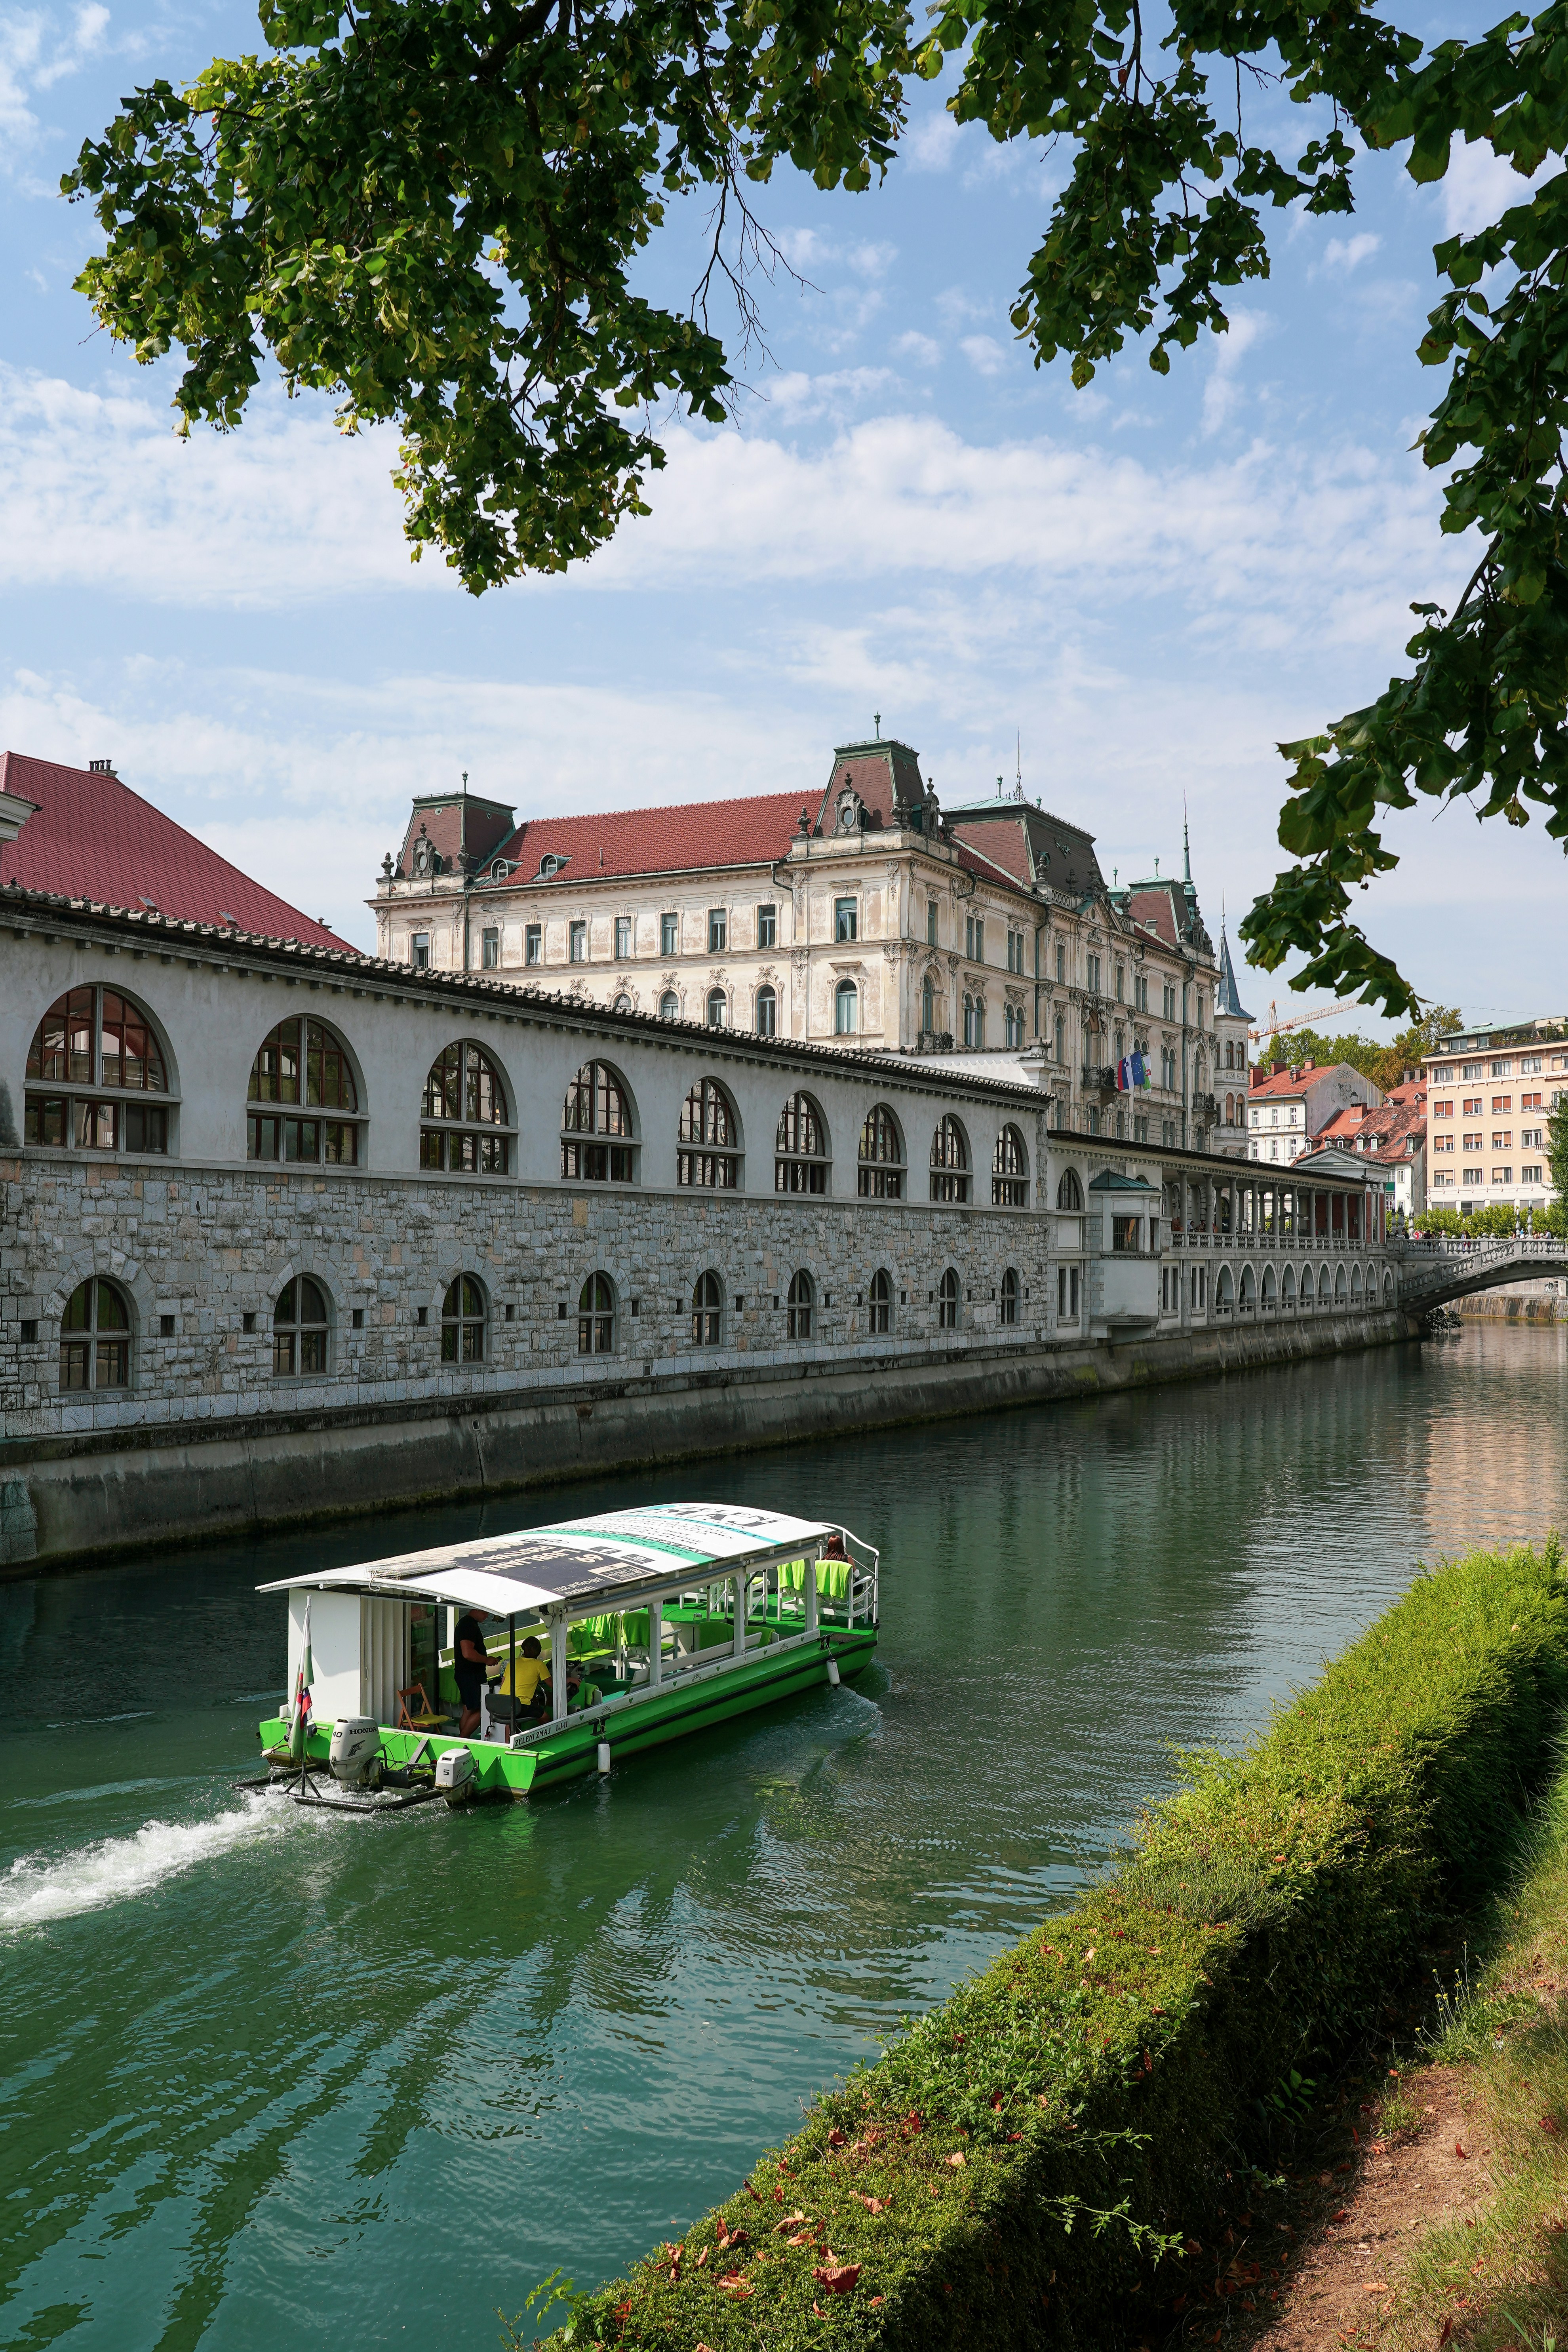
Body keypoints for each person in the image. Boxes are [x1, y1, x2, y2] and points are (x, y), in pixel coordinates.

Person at [453, 1607, 493, 1738]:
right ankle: (462, 1739)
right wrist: (486, 1660)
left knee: (468, 1710)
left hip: (466, 1674)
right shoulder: (468, 1625)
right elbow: (467, 1653)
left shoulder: (466, 1623)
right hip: (471, 1675)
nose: (487, 1615)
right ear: (475, 1610)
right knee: (484, 1709)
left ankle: (462, 1740)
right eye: (485, 1612)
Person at [502, 1635, 552, 1719]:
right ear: (539, 1652)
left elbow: (503, 1684)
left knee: (510, 1721)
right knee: (545, 1718)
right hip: (519, 1705)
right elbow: (552, 1684)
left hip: (502, 1704)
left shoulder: (512, 1663)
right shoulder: (539, 1665)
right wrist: (568, 1680)